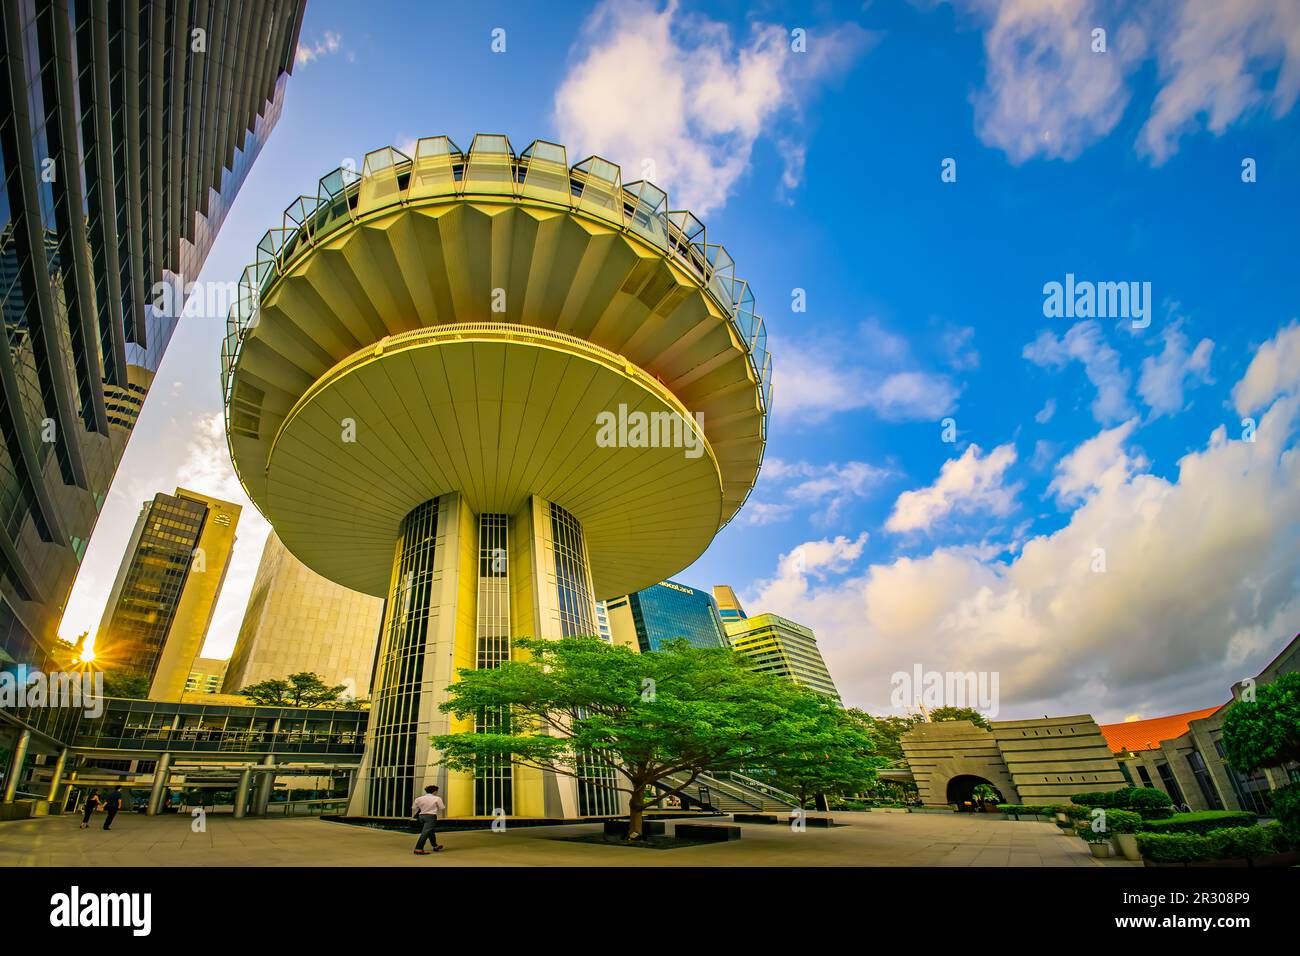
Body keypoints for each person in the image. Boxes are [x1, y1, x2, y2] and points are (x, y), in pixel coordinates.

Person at [411, 784, 445, 854]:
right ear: (435, 791)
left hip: (421, 817)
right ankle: (418, 848)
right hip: (431, 817)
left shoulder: (419, 798)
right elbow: (442, 807)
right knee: (425, 833)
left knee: (430, 831)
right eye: (437, 791)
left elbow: (414, 808)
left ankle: (435, 845)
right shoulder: (437, 798)